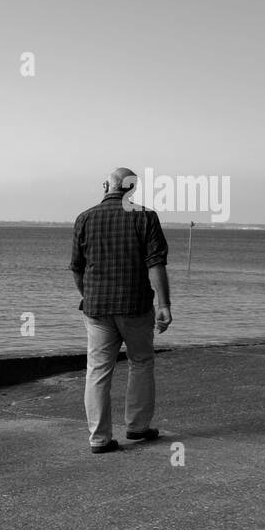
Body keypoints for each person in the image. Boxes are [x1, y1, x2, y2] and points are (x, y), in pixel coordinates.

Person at [70, 167, 172, 454]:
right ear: (131, 190)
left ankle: (99, 438)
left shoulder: (85, 218)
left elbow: (77, 269)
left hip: (97, 309)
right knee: (140, 362)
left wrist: (89, 295)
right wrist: (163, 305)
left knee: (98, 370)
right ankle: (138, 426)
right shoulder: (146, 217)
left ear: (106, 185)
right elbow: (156, 264)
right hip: (135, 306)